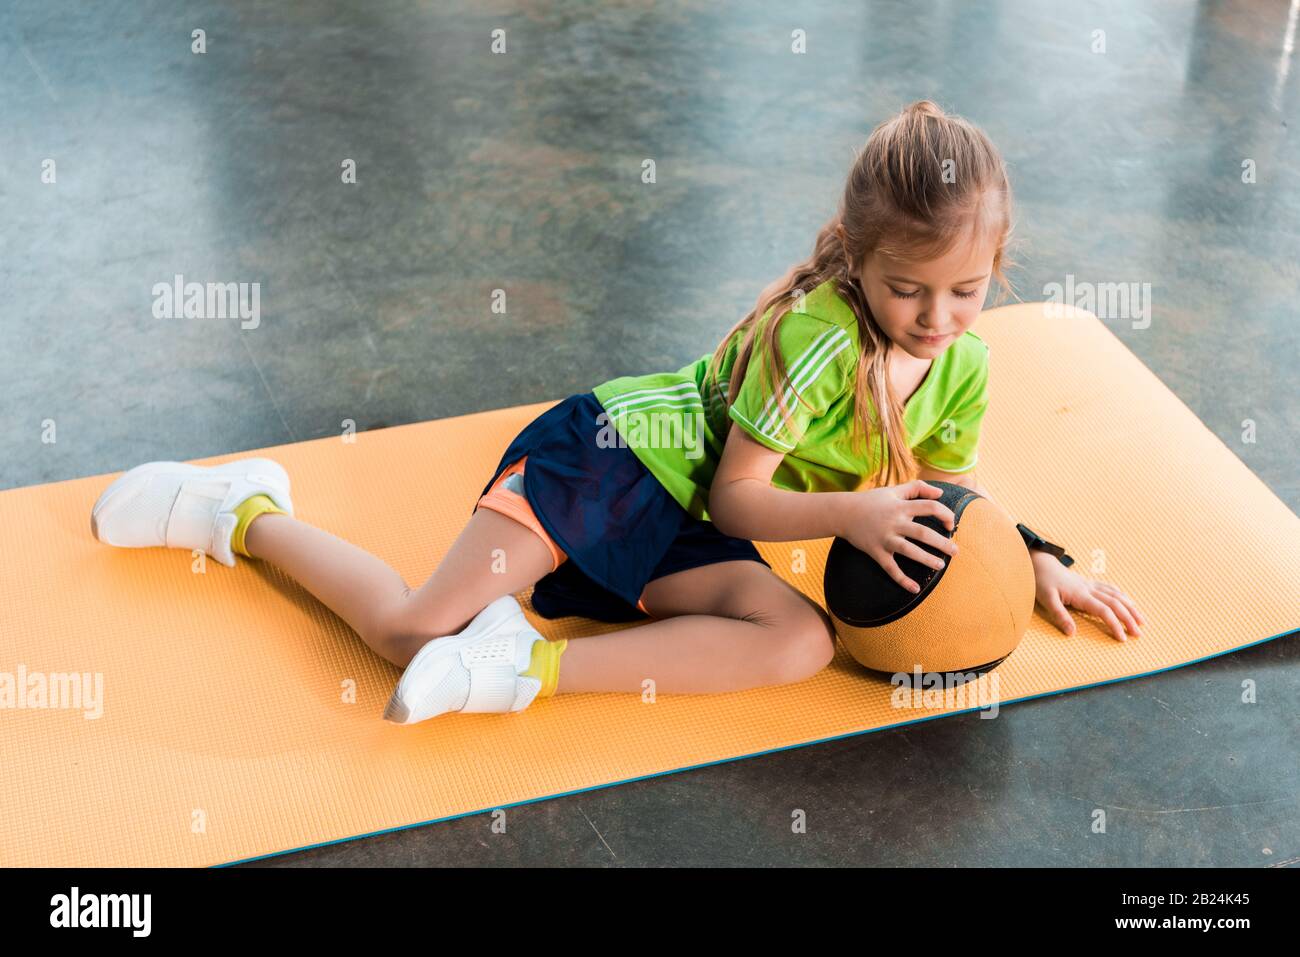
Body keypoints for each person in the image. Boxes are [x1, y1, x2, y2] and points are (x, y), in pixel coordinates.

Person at [91, 99, 1146, 724]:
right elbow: (740, 500)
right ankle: (236, 512)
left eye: (963, 291)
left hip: (683, 519)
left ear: (994, 272)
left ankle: (527, 668)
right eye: (906, 287)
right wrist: (850, 516)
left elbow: (945, 489)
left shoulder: (963, 364)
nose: (932, 316)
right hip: (616, 456)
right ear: (858, 258)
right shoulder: (817, 336)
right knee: (413, 631)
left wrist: (1032, 559)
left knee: (799, 644)